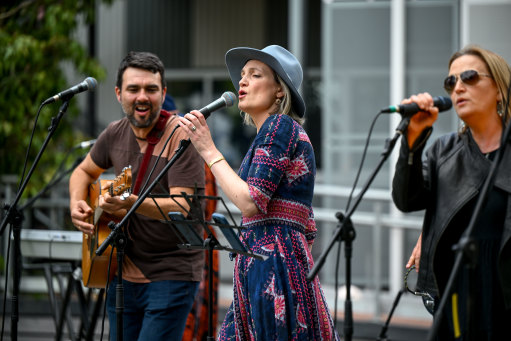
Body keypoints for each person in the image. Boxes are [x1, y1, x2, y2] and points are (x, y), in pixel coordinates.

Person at [178, 45, 339, 340]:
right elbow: (304, 220)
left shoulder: (279, 126)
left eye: (255, 74)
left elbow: (251, 201)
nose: (242, 81)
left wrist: (207, 148)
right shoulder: (272, 134)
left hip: (272, 264)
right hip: (268, 260)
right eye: (242, 75)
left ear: (280, 90)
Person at [69, 51, 205, 340]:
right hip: (123, 271)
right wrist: (76, 203)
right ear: (119, 94)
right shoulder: (114, 134)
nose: (142, 97)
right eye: (133, 89)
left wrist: (130, 204)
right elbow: (82, 173)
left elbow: (180, 207)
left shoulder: (181, 136)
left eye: (151, 89)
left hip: (172, 271)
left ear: (163, 92)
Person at [392, 45, 511, 340]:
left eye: (469, 77)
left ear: (499, 89)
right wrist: (412, 143)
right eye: (451, 82)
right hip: (456, 295)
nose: (458, 87)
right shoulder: (442, 151)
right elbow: (407, 201)